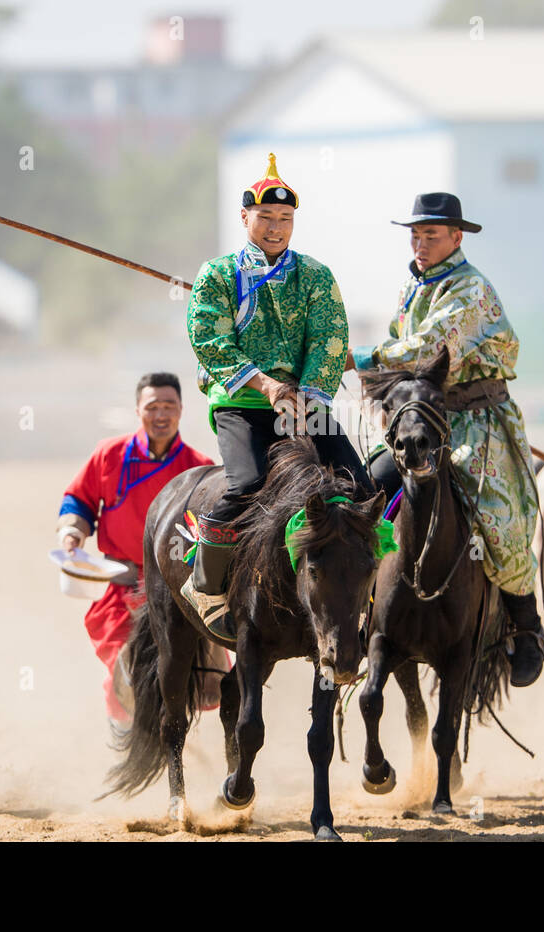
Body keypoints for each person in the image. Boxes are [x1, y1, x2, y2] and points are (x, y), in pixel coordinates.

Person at [349, 192, 544, 688]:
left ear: (456, 237)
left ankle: (525, 625)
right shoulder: (412, 289)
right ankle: (355, 613)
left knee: (497, 515)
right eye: (415, 234)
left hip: (475, 422)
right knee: (365, 488)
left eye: (430, 235)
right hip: (420, 420)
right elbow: (404, 360)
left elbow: (429, 349)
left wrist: (362, 357)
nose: (420, 243)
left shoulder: (471, 290)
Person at [182, 153, 371, 642]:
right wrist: (265, 386)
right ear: (244, 217)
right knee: (247, 485)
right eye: (265, 217)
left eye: (284, 219)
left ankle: (360, 592)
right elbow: (211, 340)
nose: (275, 227)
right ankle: (206, 584)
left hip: (305, 405)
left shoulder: (316, 276)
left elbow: (329, 340)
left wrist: (307, 398)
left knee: (363, 488)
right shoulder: (217, 276)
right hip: (242, 402)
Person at [56, 372, 214, 732]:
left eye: (168, 406)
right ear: (137, 411)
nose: (161, 414)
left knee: (193, 670)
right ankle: (126, 735)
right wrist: (72, 535)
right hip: (119, 584)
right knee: (123, 663)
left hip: (177, 591)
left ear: (181, 410)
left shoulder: (199, 466)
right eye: (152, 407)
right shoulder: (108, 455)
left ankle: (174, 733)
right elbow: (78, 500)